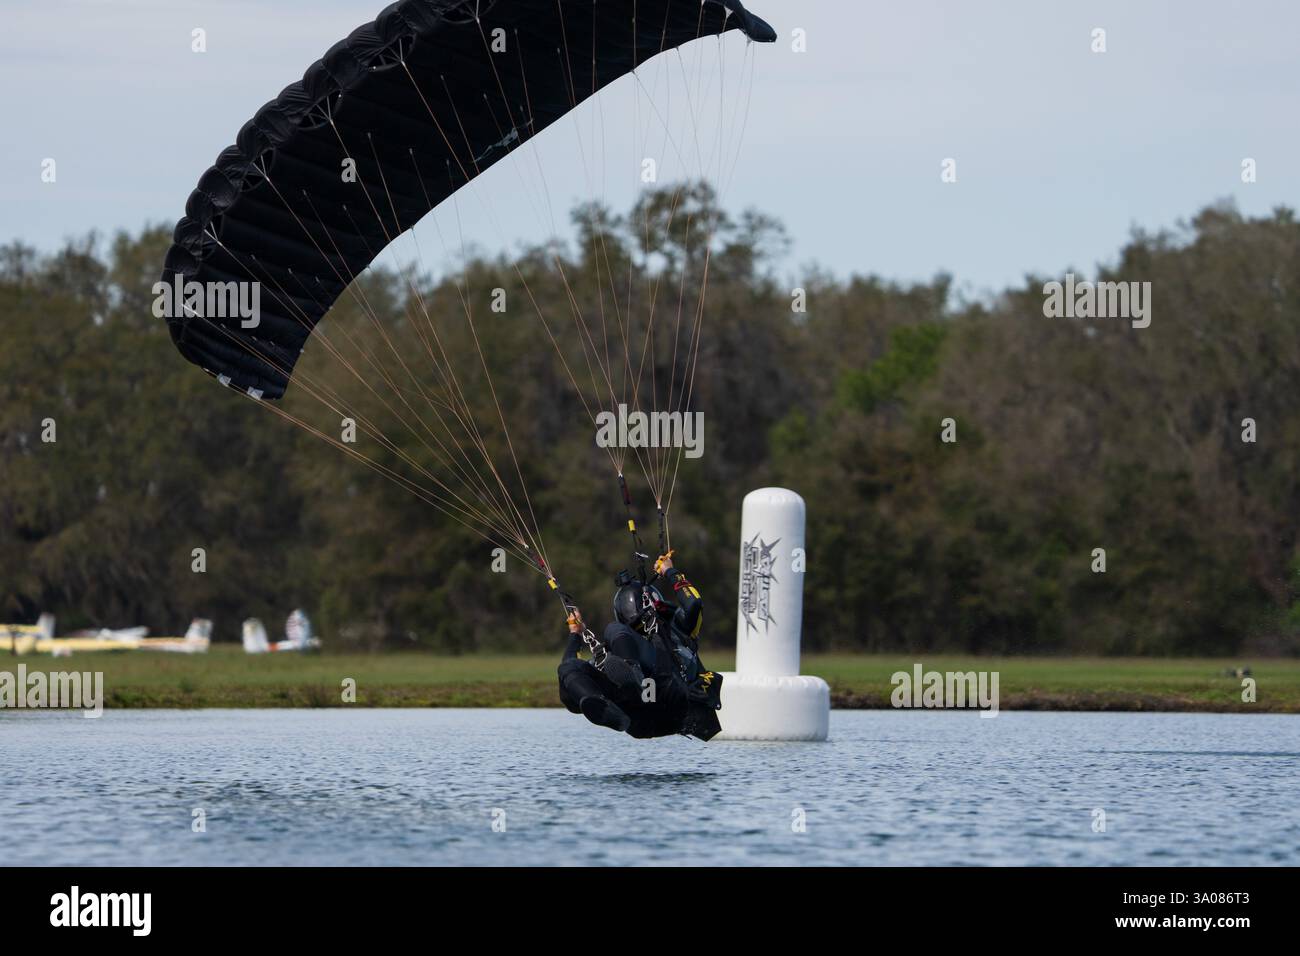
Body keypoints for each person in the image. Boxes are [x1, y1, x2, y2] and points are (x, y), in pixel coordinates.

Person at [557, 552, 723, 740]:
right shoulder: (614, 653)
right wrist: (576, 633)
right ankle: (598, 705)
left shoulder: (677, 628)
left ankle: (632, 678)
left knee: (610, 631)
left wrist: (670, 571)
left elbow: (693, 604)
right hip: (639, 716)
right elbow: (571, 666)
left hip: (671, 698)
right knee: (568, 669)